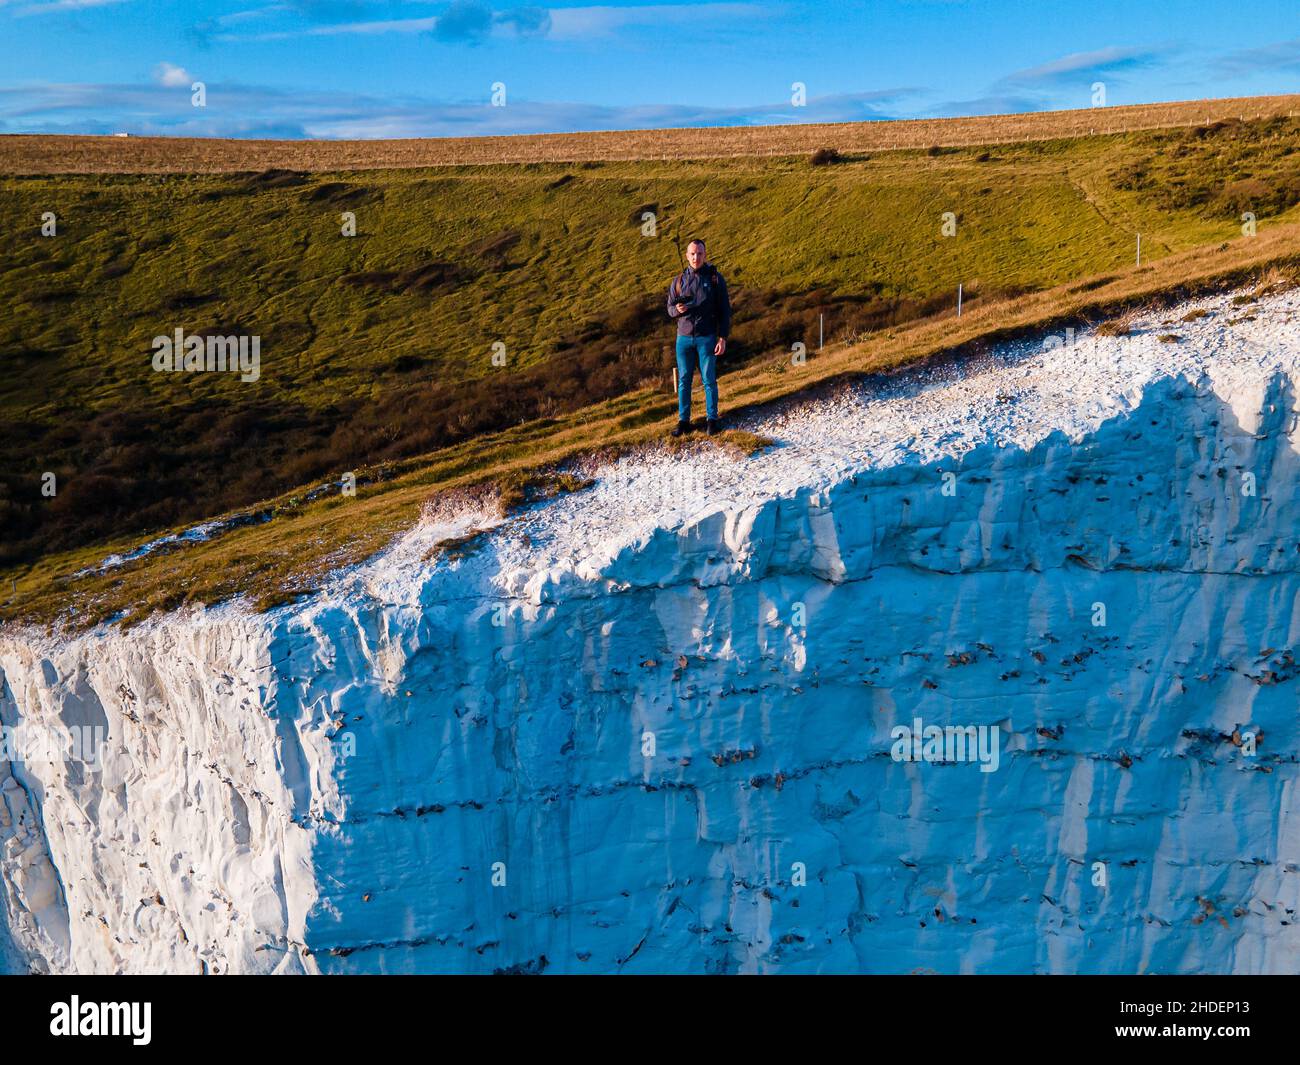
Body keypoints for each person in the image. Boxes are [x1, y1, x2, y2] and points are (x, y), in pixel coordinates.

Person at [666, 238, 731, 436]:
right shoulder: (677, 281)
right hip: (683, 338)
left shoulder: (715, 279)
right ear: (687, 256)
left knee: (708, 379)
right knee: (684, 380)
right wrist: (677, 310)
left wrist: (723, 337)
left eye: (700, 253)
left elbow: (725, 310)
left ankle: (712, 420)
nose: (696, 257)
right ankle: (683, 422)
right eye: (692, 254)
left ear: (705, 255)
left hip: (707, 337)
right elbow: (669, 309)